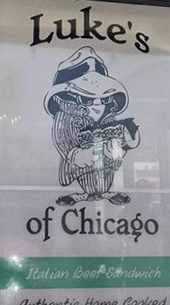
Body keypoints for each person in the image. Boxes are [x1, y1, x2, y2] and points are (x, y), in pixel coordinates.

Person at [44, 47, 140, 206]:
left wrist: (117, 149)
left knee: (105, 174)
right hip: (78, 161)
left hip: (104, 163)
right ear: (68, 97)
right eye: (87, 99)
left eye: (104, 99)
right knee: (82, 171)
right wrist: (76, 155)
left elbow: (116, 139)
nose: (98, 106)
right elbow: (62, 139)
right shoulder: (65, 118)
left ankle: (104, 192)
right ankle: (83, 194)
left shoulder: (109, 116)